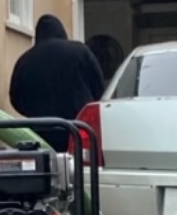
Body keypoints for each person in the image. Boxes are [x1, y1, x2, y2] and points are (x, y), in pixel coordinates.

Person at [9, 15, 105, 152]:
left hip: (41, 130)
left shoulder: (25, 60)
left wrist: (33, 111)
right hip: (78, 127)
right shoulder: (80, 51)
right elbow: (98, 85)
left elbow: (15, 97)